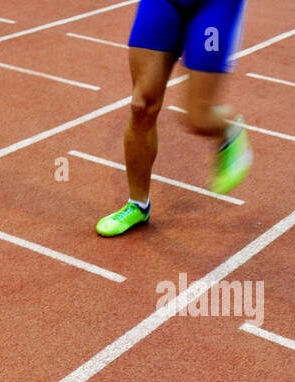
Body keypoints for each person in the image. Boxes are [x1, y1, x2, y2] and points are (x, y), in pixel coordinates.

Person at [95, 0, 253, 237]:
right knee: (142, 106)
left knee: (198, 118)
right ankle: (137, 205)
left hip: (215, 6)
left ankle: (228, 131)